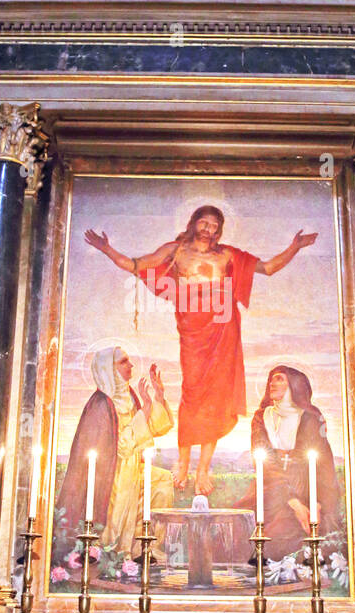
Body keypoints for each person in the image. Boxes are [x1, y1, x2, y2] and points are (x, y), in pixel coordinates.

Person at [84, 205, 317, 495]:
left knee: (217, 398)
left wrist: (295, 246)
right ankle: (183, 463)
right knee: (192, 393)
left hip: (222, 328)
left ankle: (203, 469)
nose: (209, 230)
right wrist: (107, 249)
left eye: (215, 226)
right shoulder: (176, 250)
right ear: (194, 223)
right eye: (204, 223)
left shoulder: (226, 255)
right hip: (193, 326)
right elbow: (135, 265)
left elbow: (268, 268)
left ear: (220, 231)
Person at [56, 346, 174, 558]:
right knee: (126, 486)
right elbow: (123, 448)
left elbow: (157, 428)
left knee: (163, 481)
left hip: (131, 467)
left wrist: (159, 395)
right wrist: (145, 410)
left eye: (129, 361)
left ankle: (145, 547)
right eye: (123, 362)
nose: (131, 366)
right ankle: (116, 551)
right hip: (110, 473)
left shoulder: (129, 395)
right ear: (108, 369)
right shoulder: (101, 404)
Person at [238, 366, 339, 560]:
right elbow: (263, 461)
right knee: (236, 527)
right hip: (268, 490)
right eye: (271, 379)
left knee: (277, 536)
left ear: (294, 384)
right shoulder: (261, 417)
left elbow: (323, 463)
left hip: (305, 491)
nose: (272, 383)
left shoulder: (311, 417)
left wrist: (317, 502)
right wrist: (292, 501)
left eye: (279, 379)